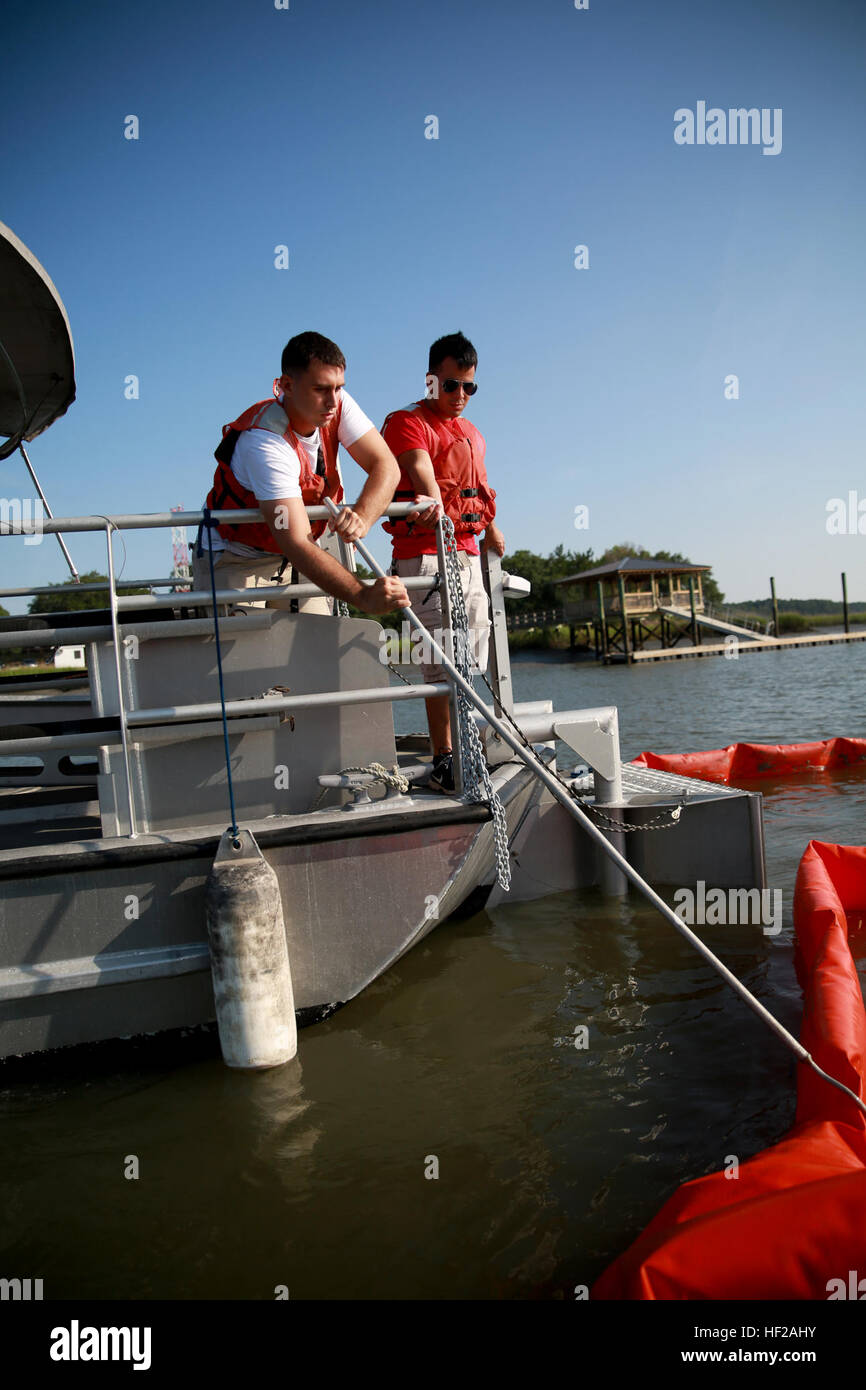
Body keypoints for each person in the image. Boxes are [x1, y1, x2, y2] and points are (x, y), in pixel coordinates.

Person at [193, 331, 408, 616]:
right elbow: (294, 540)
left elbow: (386, 466)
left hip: (297, 555)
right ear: (287, 386)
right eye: (320, 389)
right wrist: (363, 595)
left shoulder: (336, 404)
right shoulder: (264, 441)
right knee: (243, 657)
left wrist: (362, 518)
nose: (332, 401)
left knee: (313, 652)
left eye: (338, 387)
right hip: (237, 558)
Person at [381, 332, 505, 792]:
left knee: (471, 654)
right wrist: (432, 499)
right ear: (432, 380)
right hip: (425, 557)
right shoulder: (407, 422)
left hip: (468, 554)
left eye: (469, 388)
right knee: (439, 660)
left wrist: (491, 530)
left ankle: (471, 747)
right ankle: (443, 757)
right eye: (451, 385)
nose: (460, 397)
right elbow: (422, 472)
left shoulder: (473, 434)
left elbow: (480, 488)